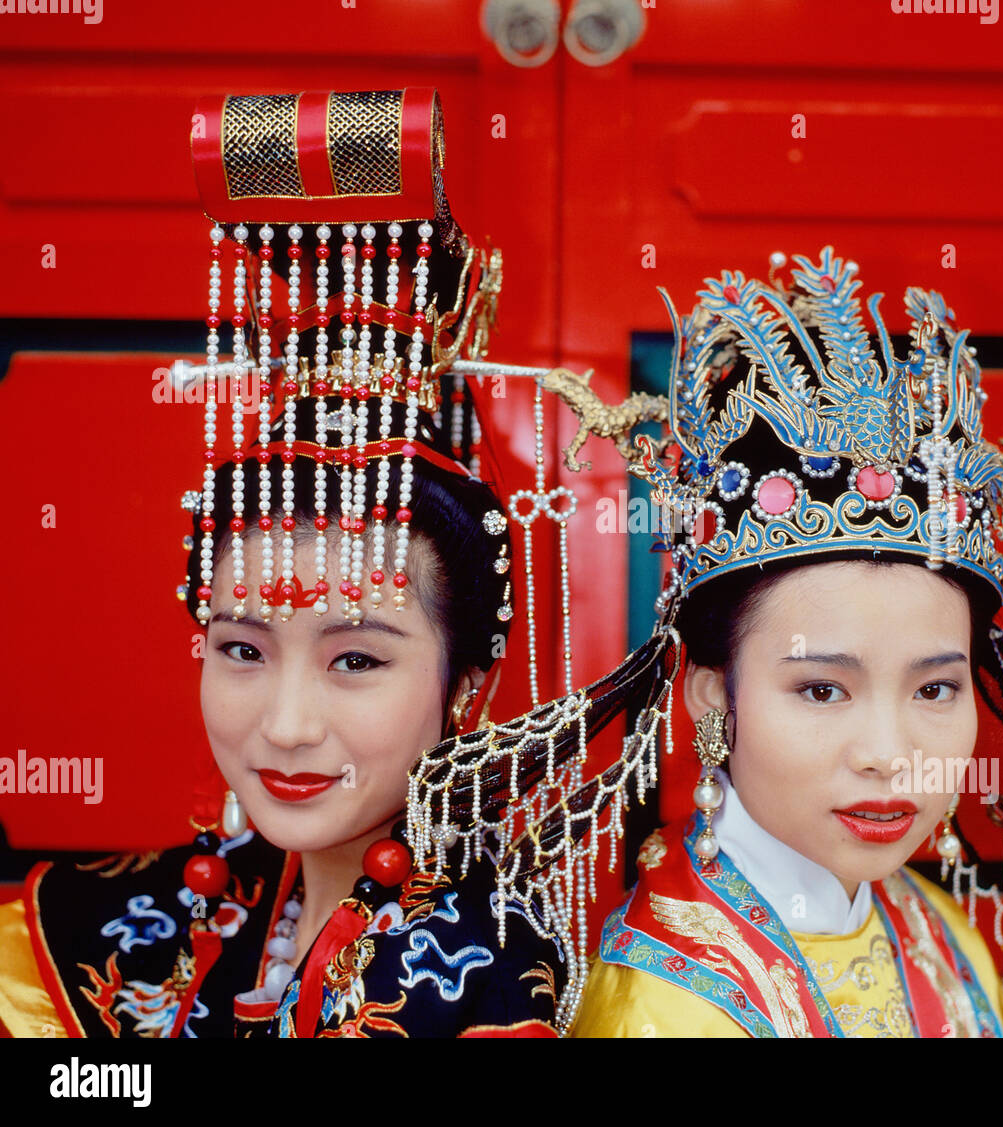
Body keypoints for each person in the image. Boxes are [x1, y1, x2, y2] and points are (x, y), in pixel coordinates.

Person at [0, 87, 573, 1039]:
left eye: (356, 658)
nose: (287, 725)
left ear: (464, 684)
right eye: (241, 648)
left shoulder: (492, 983)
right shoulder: (102, 927)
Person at [566, 248, 1003, 1037]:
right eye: (822, 688)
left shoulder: (935, 930)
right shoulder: (665, 1011)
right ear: (711, 693)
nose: (890, 752)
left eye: (935, 688)